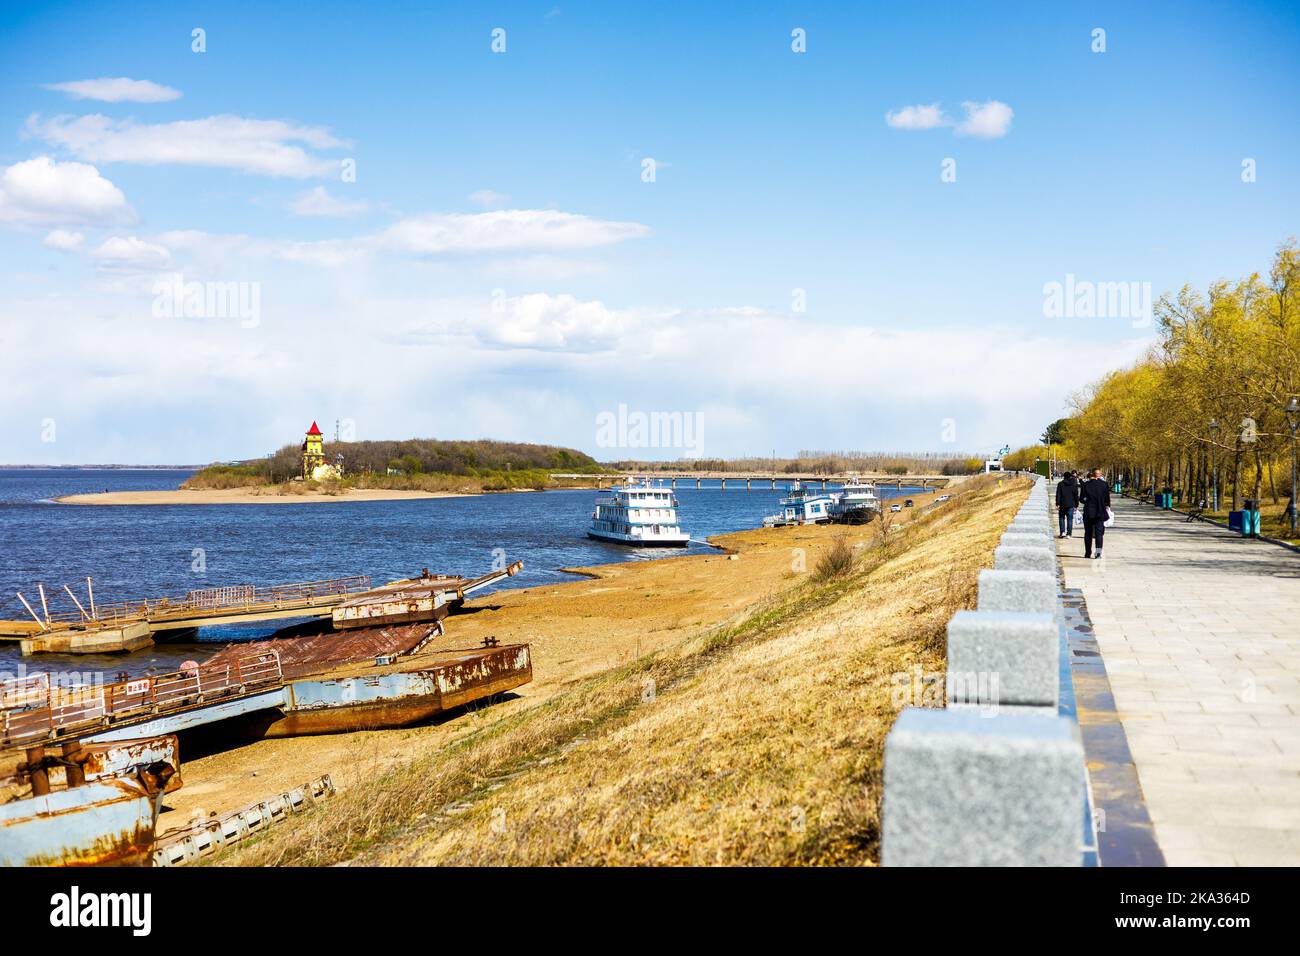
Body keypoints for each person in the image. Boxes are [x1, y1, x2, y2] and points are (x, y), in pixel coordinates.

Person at [1079, 468, 1112, 559]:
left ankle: (1087, 553)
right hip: (1100, 512)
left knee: (1088, 533)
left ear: (1092, 474)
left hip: (1089, 512)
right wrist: (1106, 506)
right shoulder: (1104, 485)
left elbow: (1082, 499)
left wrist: (1088, 500)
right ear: (1099, 475)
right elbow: (1107, 499)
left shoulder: (1085, 485)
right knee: (1099, 534)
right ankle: (1098, 554)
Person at [1055, 470, 1080, 538]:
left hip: (1062, 504)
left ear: (1064, 477)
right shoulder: (1074, 485)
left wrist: (1057, 503)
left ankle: (1062, 532)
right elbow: (1076, 495)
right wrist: (1077, 504)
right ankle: (1069, 534)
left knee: (1061, 518)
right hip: (1071, 504)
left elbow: (1058, 494)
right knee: (1069, 519)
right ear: (1070, 477)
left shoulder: (1060, 484)